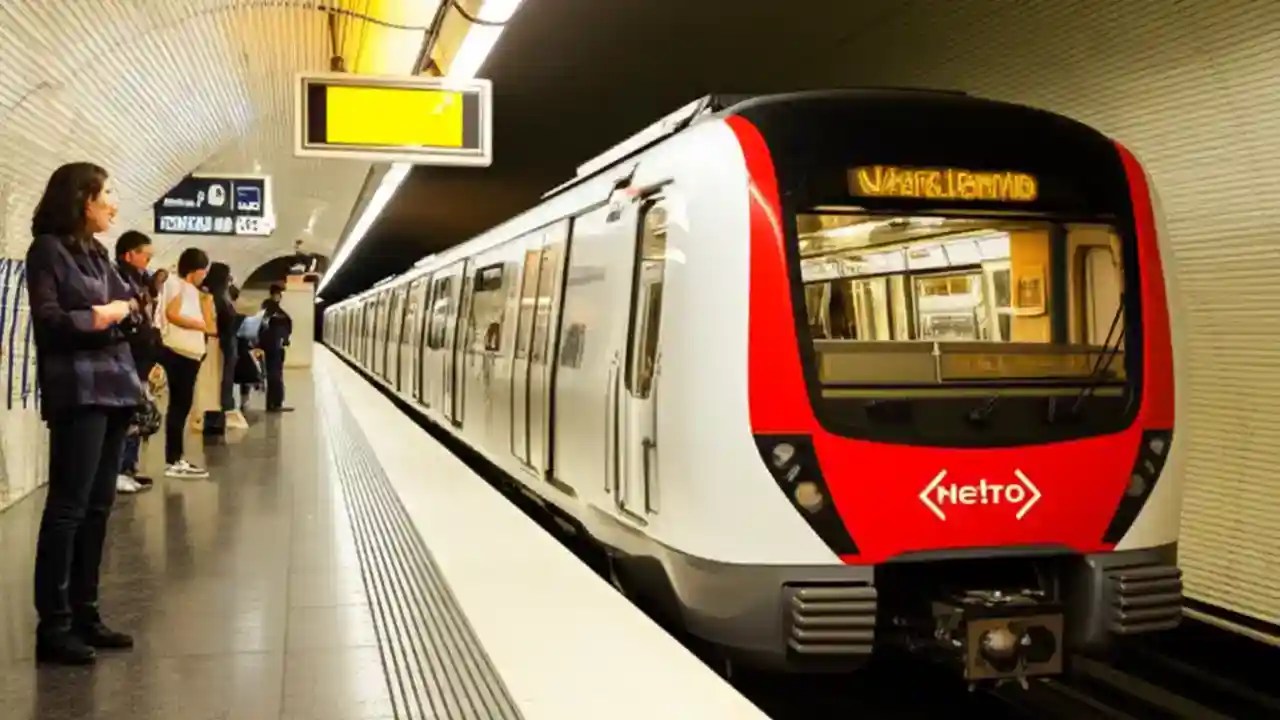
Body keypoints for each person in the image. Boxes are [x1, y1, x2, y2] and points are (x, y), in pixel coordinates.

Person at [26, 162, 144, 665]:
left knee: (97, 507)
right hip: (78, 389)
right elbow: (50, 321)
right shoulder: (47, 250)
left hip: (116, 387)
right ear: (82, 199)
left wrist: (118, 313)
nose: (114, 202)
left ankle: (86, 612)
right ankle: (53, 625)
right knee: (68, 507)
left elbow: (134, 303)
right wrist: (102, 316)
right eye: (108, 193)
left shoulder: (96, 253)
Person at [157, 248, 212, 478]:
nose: (204, 276)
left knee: (179, 407)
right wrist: (201, 326)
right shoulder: (182, 286)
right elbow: (172, 314)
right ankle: (174, 460)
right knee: (180, 406)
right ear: (197, 270)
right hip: (182, 353)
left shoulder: (179, 286)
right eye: (203, 271)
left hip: (184, 353)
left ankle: (175, 458)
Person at [113, 230, 157, 494]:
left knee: (137, 416)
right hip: (126, 359)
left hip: (139, 359)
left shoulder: (140, 281)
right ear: (129, 254)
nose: (148, 262)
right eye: (145, 256)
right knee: (126, 417)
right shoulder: (119, 281)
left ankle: (129, 467)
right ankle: (118, 470)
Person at [260, 283, 293, 412]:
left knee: (275, 375)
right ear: (275, 294)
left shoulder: (271, 309)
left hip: (274, 346)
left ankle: (274, 403)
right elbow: (278, 325)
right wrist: (282, 338)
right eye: (279, 294)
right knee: (275, 375)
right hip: (273, 347)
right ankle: (274, 404)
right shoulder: (270, 309)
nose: (280, 296)